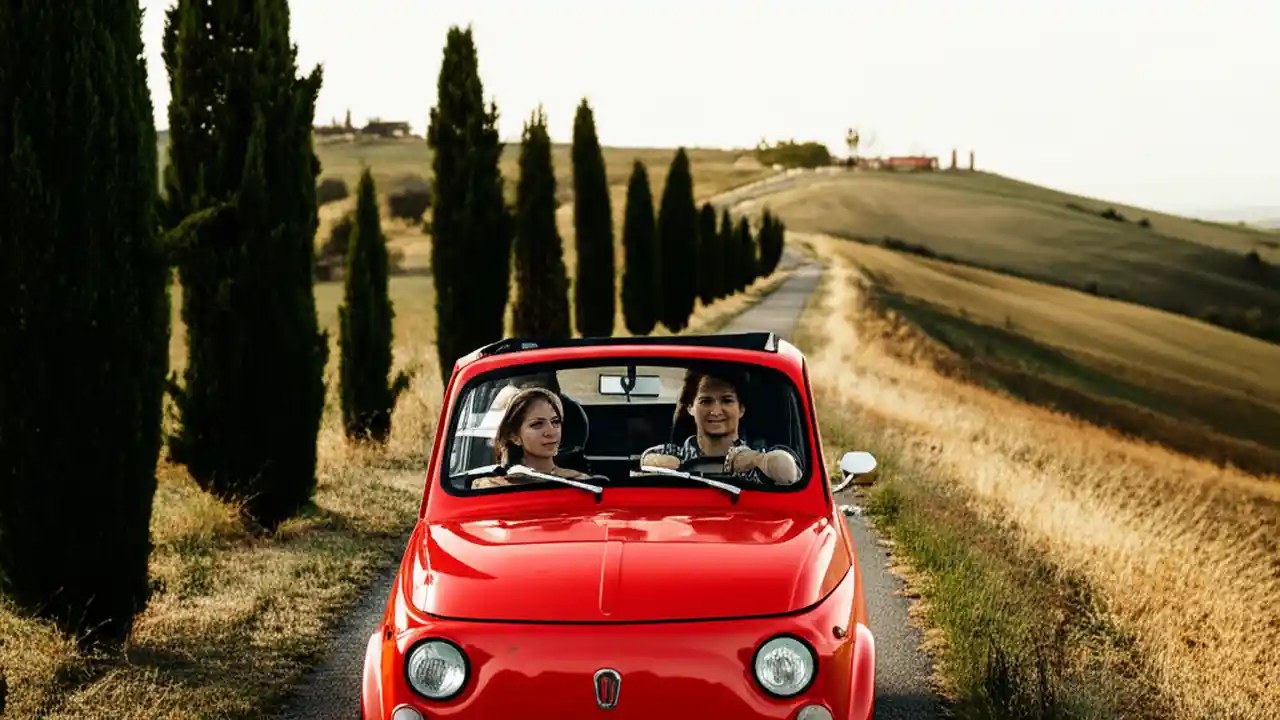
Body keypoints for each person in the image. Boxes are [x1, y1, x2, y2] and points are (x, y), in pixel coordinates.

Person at [639, 368, 801, 485]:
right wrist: (666, 466)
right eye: (706, 401)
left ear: (741, 408)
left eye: (727, 400)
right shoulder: (673, 453)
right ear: (690, 408)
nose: (716, 411)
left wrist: (756, 459)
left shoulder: (763, 456)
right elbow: (645, 460)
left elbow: (788, 473)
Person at [472, 387, 591, 489]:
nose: (551, 432)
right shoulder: (491, 487)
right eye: (537, 424)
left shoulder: (583, 484)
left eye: (555, 422)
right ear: (514, 436)